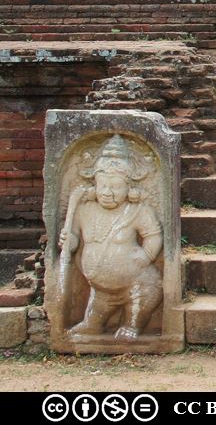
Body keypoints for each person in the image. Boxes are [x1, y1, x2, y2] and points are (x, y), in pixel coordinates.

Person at [59, 134, 162, 341]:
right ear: (94, 186)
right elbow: (74, 239)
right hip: (99, 288)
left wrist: (146, 256)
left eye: (115, 187)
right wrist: (68, 241)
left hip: (136, 284)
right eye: (102, 186)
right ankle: (92, 324)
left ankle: (132, 325)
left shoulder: (137, 210)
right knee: (92, 321)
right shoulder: (84, 210)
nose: (108, 192)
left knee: (139, 305)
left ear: (129, 188)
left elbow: (153, 236)